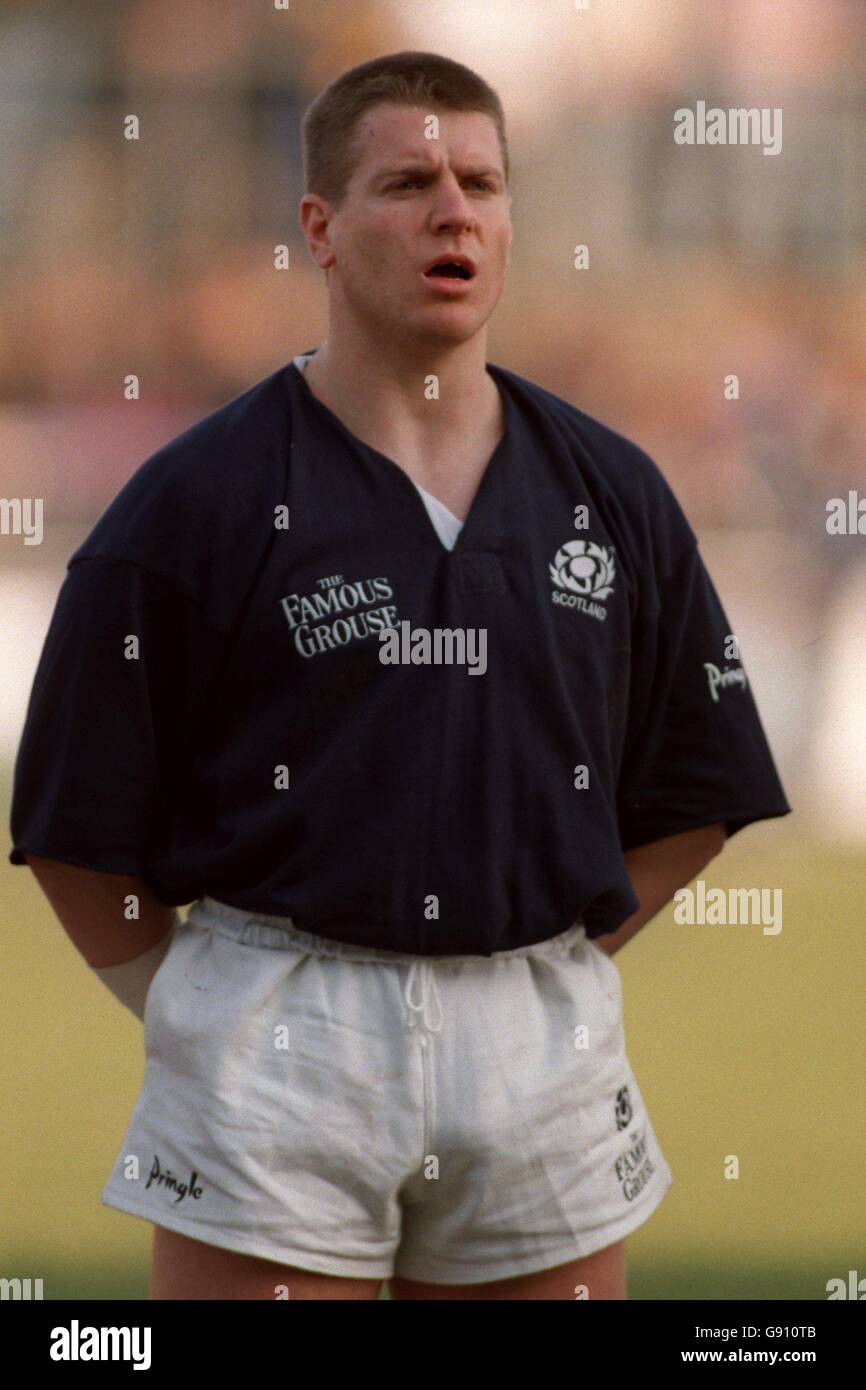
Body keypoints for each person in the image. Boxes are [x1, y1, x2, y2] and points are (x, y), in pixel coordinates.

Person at [9, 51, 791, 1301]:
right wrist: (209, 1010)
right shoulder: (195, 500)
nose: (453, 211)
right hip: (274, 1041)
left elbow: (698, 790)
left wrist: (535, 965)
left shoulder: (612, 491)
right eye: (409, 182)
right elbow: (71, 826)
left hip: (541, 1050)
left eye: (480, 181)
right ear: (318, 227)